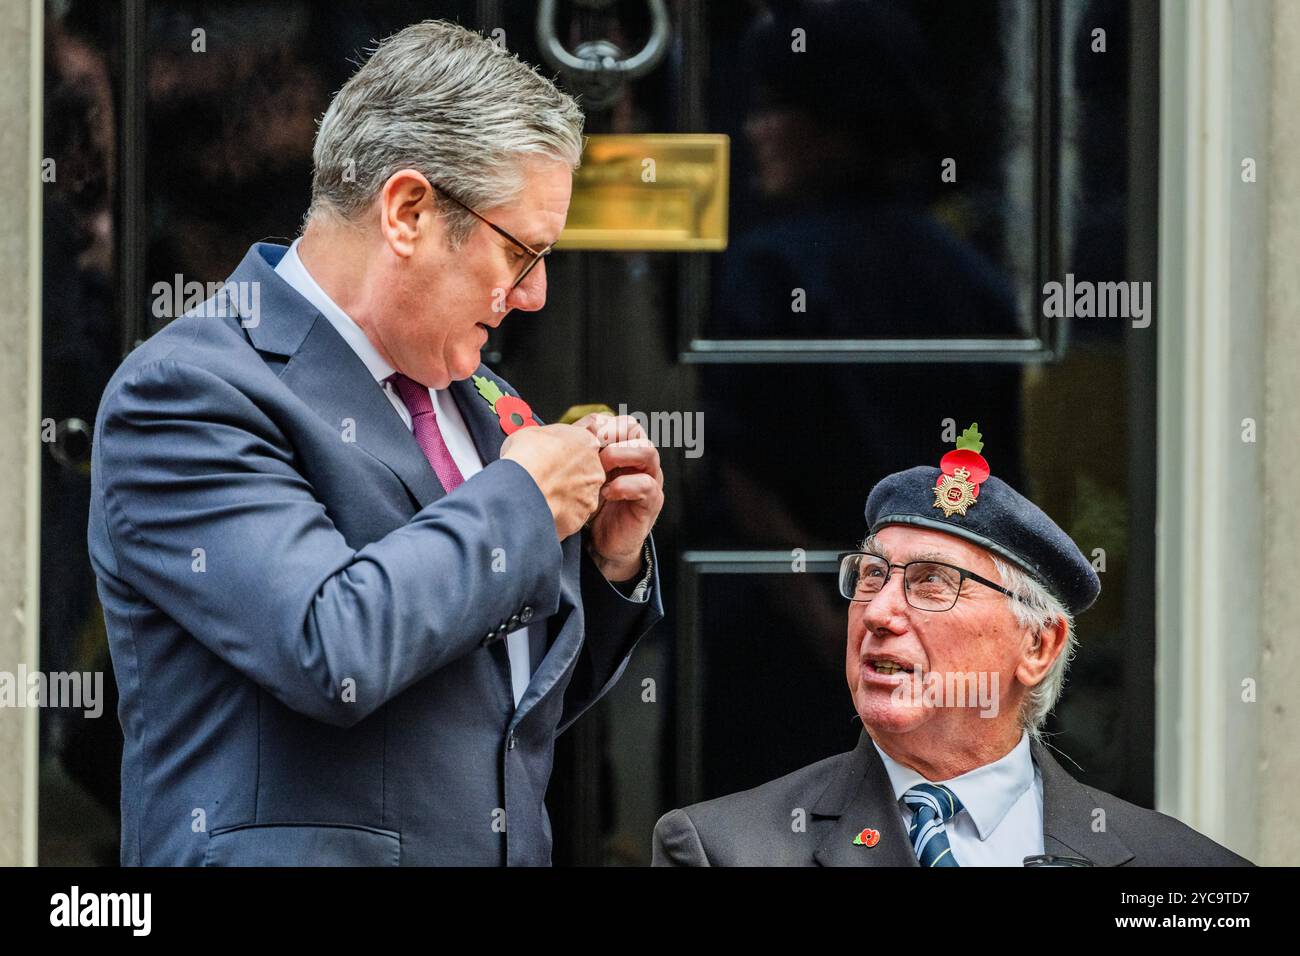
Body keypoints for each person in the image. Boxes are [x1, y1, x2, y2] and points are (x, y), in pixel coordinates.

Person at [88, 20, 664, 866]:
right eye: (520, 250)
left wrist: (606, 565)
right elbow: (333, 647)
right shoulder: (184, 391)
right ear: (407, 211)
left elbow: (495, 706)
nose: (536, 293)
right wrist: (526, 503)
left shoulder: (474, 394)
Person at [652, 425, 1249, 867]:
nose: (879, 613)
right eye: (870, 575)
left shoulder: (1184, 870)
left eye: (932, 583)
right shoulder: (725, 850)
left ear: (1038, 645)